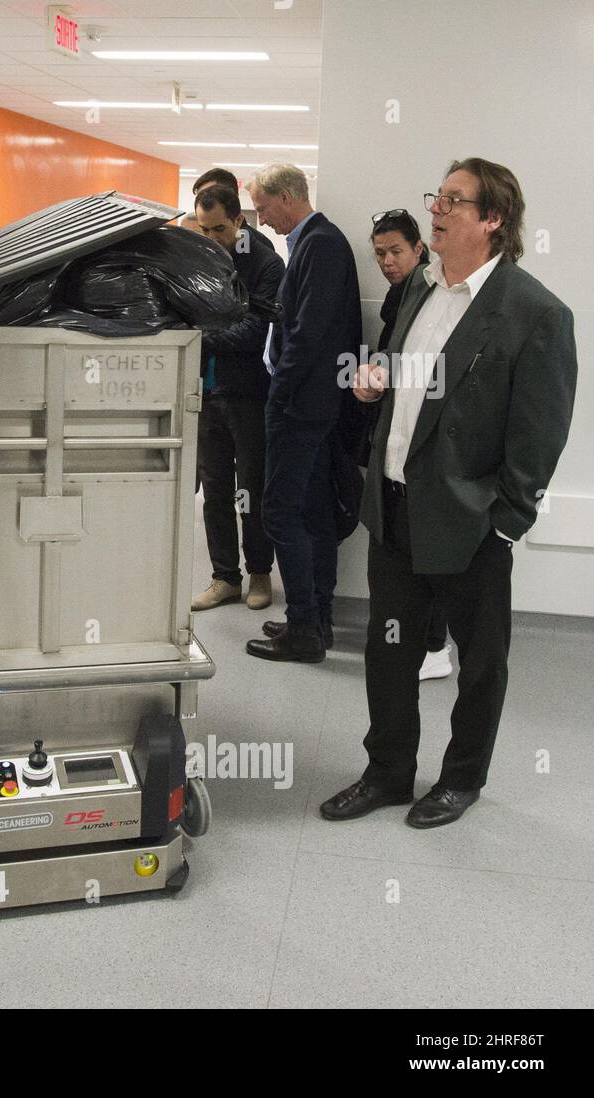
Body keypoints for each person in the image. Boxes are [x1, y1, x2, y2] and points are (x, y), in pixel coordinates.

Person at [322, 158, 577, 829]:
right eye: (438, 195)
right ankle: (388, 773)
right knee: (389, 651)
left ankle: (462, 780)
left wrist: (505, 522)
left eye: (455, 201)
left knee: (480, 663)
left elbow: (540, 434)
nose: (436, 208)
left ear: (493, 220)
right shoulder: (418, 291)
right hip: (396, 508)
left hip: (471, 526)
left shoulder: (534, 314)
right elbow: (404, 372)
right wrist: (376, 377)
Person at [244, 163, 361, 663]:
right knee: (311, 513)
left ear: (288, 196)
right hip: (311, 402)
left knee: (279, 512)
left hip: (299, 404)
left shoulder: (321, 244)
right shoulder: (314, 242)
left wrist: (280, 393)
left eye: (265, 207)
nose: (263, 220)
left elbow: (308, 334)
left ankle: (305, 629)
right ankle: (316, 620)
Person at [189, 185, 284, 614]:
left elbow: (257, 333)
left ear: (240, 221)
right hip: (209, 392)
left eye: (220, 229)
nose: (212, 238)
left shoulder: (266, 265)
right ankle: (224, 576)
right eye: (204, 229)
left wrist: (204, 338)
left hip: (249, 395)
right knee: (216, 491)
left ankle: (260, 572)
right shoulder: (199, 261)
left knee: (253, 489)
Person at [368, 208, 449, 681]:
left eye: (396, 250)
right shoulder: (404, 294)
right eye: (379, 253)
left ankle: (434, 645)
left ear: (419, 249)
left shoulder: (429, 291)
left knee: (429, 557)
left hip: (427, 447)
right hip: (397, 442)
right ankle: (420, 643)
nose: (387, 261)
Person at [192, 168, 273, 249]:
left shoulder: (260, 245)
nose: (204, 201)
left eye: (212, 194)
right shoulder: (196, 239)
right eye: (201, 196)